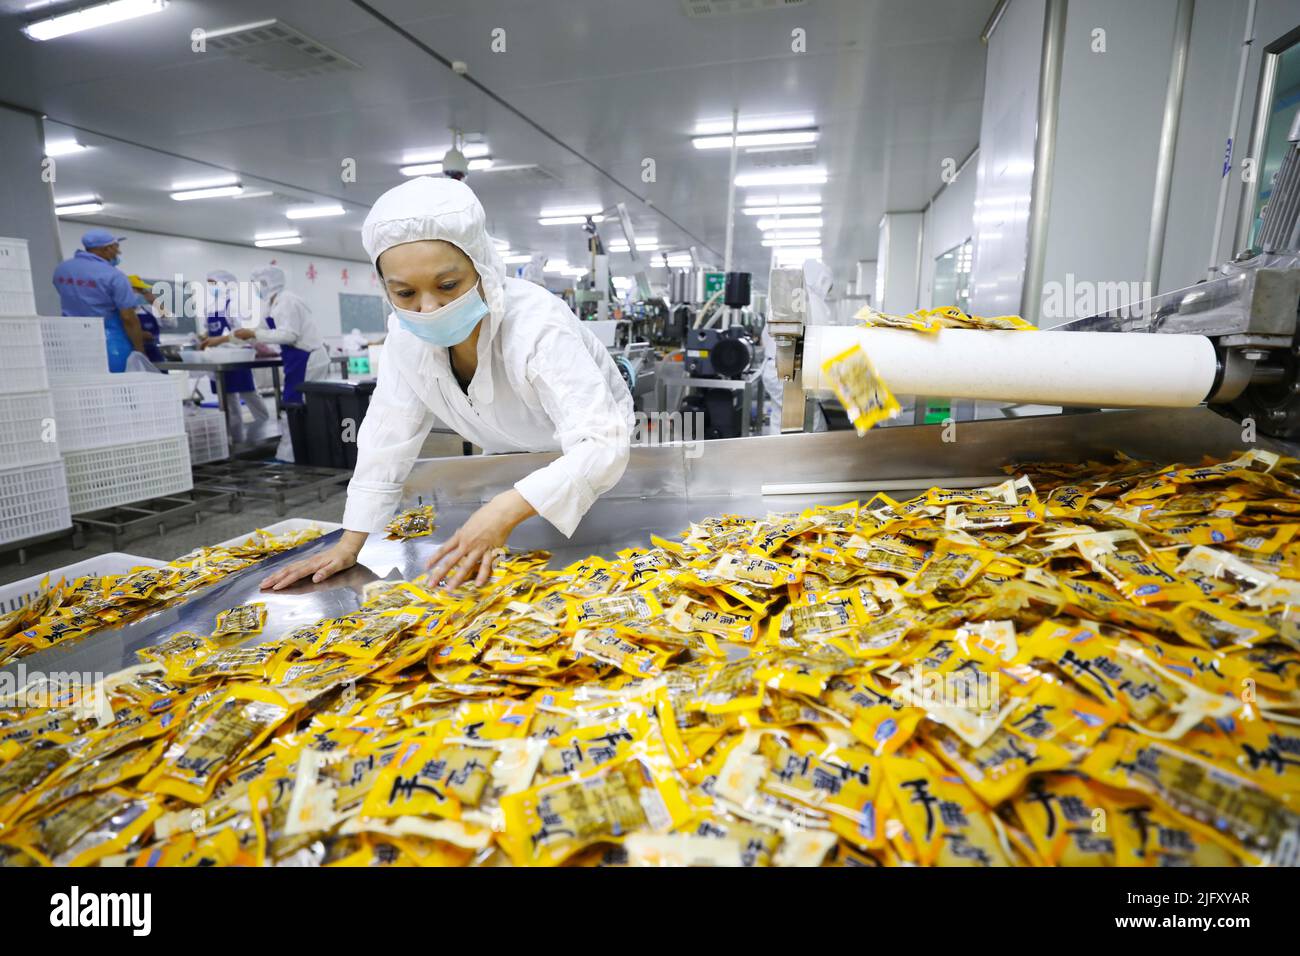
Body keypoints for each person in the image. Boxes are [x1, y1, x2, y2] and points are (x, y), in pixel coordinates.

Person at [262, 176, 633, 593]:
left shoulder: (535, 325)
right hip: (508, 460)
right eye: (404, 293)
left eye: (448, 286)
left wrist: (502, 511)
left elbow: (602, 443)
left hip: (595, 461)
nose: (428, 308)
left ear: (481, 266)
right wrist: (350, 544)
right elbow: (388, 436)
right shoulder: (406, 338)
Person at [232, 265, 329, 460]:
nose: (257, 288)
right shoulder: (270, 303)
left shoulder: (288, 301)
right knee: (294, 405)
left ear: (268, 282)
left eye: (258, 284)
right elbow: (257, 329)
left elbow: (289, 334)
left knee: (298, 406)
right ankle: (294, 453)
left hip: (306, 358)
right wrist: (238, 337)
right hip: (295, 358)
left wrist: (254, 334)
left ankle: (296, 455)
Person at [51, 228, 144, 372]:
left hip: (72, 340)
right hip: (110, 342)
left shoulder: (62, 269)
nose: (118, 252)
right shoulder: (114, 276)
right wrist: (140, 351)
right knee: (119, 386)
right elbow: (128, 317)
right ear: (107, 249)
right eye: (116, 247)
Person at [761, 258, 833, 433]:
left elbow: (766, 337)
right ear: (822, 281)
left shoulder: (791, 295)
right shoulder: (813, 302)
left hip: (774, 369)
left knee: (781, 420)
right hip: (794, 373)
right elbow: (820, 345)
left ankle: (779, 456)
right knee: (809, 424)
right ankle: (802, 457)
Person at [201, 269, 271, 444]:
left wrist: (219, 340)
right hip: (218, 357)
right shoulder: (209, 308)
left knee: (248, 393)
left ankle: (265, 430)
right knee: (228, 399)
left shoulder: (233, 305)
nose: (210, 287)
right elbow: (207, 331)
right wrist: (203, 338)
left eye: (213, 283)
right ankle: (235, 438)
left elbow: (240, 333)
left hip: (236, 355)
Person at [127, 274, 171, 365]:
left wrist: (155, 302)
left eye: (142, 290)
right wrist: (138, 335)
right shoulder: (118, 313)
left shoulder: (149, 309)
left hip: (155, 355)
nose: (140, 293)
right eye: (137, 290)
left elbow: (171, 323)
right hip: (131, 356)